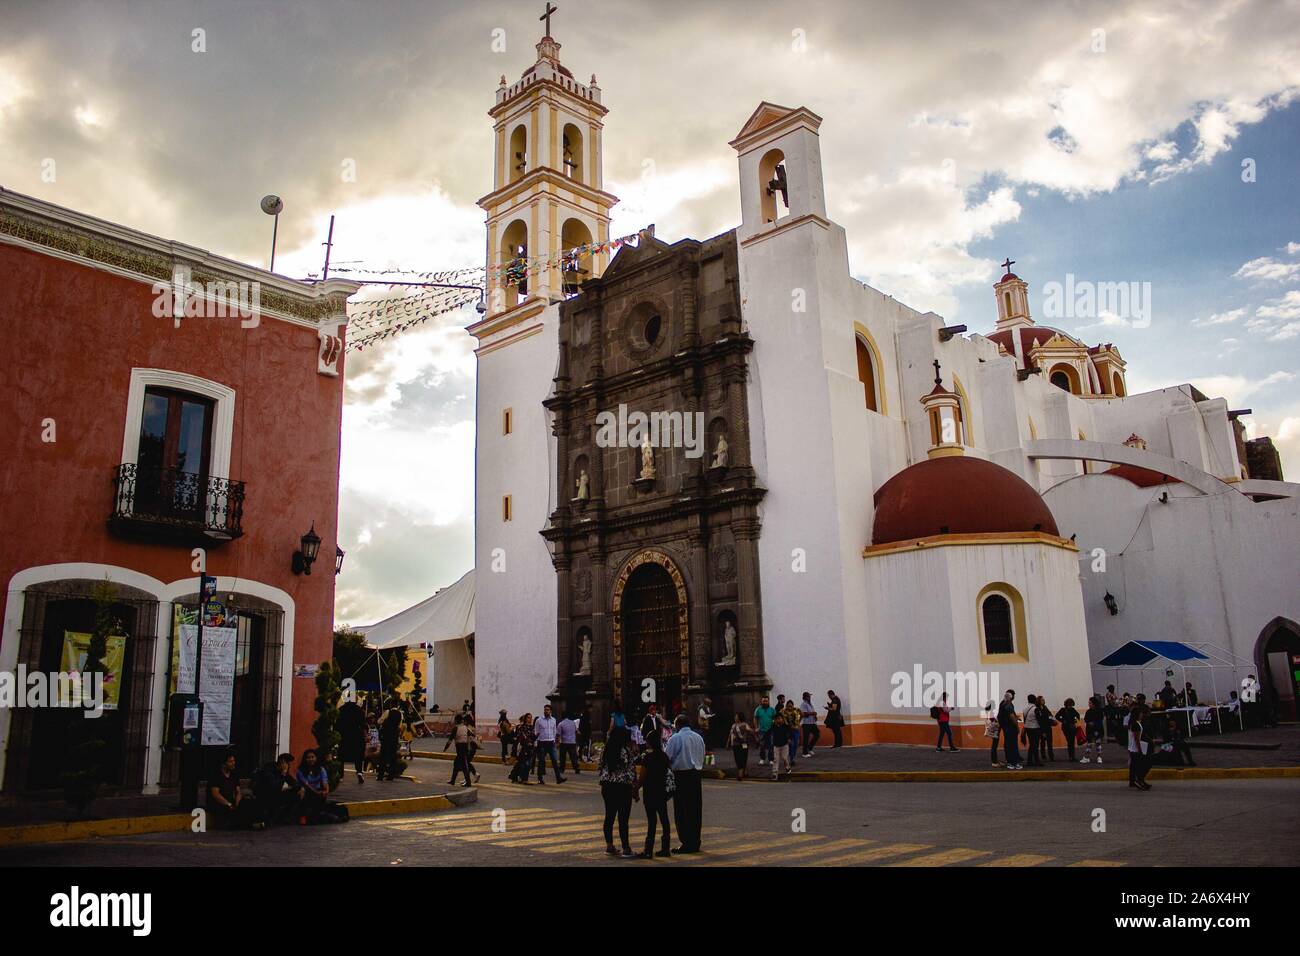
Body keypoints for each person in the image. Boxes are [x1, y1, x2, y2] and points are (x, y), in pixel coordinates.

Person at [665, 715, 705, 853]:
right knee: (695, 810)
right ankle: (695, 841)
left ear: (677, 725)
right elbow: (702, 755)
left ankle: (686, 842)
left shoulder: (675, 738)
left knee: (682, 810)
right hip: (695, 776)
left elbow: (667, 758)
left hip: (681, 776)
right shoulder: (698, 737)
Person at [598, 726, 637, 858]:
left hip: (607, 786)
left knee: (609, 816)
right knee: (623, 819)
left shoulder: (605, 749)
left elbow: (600, 766)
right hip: (622, 787)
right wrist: (634, 788)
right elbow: (631, 771)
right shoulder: (625, 751)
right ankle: (626, 848)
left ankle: (609, 845)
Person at [634, 732, 673, 858]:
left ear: (649, 742)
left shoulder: (647, 758)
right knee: (664, 819)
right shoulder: (664, 757)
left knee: (652, 821)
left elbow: (642, 778)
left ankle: (648, 850)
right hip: (661, 792)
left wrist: (635, 790)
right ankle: (665, 848)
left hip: (650, 792)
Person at [208, 750, 263, 830]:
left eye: (234, 761)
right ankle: (250, 826)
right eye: (230, 761)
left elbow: (238, 791)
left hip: (231, 801)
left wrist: (237, 802)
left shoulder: (234, 774)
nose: (233, 763)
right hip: (220, 804)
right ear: (223, 764)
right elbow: (216, 795)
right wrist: (228, 804)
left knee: (249, 803)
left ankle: (257, 821)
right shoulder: (216, 775)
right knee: (233, 815)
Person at [252, 752, 303, 827]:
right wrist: (283, 774)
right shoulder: (269, 770)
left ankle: (284, 818)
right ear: (282, 762)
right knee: (281, 797)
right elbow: (275, 788)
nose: (289, 766)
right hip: (264, 797)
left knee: (295, 794)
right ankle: (274, 819)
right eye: (288, 763)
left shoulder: (282, 771)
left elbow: (293, 782)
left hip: (275, 795)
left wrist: (301, 788)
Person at [296, 748, 347, 823]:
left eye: (312, 757)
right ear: (305, 759)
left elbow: (325, 782)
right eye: (308, 758)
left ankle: (334, 817)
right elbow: (306, 785)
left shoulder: (320, 769)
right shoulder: (300, 770)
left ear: (316, 758)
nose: (311, 759)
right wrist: (318, 793)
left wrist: (326, 791)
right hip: (307, 794)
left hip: (319, 793)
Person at [533, 704, 565, 784]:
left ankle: (558, 778)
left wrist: (555, 741)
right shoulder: (539, 720)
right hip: (542, 743)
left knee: (554, 761)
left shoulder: (553, 720)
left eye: (547, 710)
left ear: (551, 711)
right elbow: (536, 732)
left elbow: (554, 731)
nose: (546, 711)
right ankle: (540, 778)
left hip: (551, 742)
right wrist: (536, 743)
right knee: (541, 761)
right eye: (545, 709)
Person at [337, 697, 367, 785]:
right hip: (357, 735)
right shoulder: (359, 710)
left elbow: (337, 724)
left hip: (345, 735)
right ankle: (359, 772)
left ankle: (341, 775)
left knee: (341, 755)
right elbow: (363, 724)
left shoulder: (341, 710)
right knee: (358, 755)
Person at [448, 713, 479, 787]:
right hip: (468, 748)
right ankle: (454, 780)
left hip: (466, 748)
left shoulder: (465, 727)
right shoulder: (468, 727)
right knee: (459, 764)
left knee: (465, 765)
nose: (462, 721)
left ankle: (469, 780)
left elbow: (470, 737)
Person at [378, 697, 402, 781]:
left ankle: (380, 775)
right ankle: (391, 776)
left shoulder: (388, 712)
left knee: (383, 757)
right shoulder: (400, 714)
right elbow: (399, 726)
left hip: (386, 737)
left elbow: (379, 721)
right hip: (394, 737)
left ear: (391, 704)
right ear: (398, 705)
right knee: (392, 757)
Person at [1128, 705, 1152, 791]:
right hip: (1135, 748)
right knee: (1140, 765)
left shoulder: (1135, 723)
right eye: (1141, 713)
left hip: (1132, 748)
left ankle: (1134, 780)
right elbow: (1136, 738)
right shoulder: (1136, 724)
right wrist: (1139, 749)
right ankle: (1139, 780)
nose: (1142, 714)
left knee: (1134, 765)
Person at [998, 690, 1022, 769]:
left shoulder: (1002, 703)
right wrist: (1017, 726)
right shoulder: (1009, 704)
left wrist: (1015, 717)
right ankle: (1014, 762)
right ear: (1011, 696)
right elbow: (1011, 716)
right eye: (1013, 695)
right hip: (1010, 727)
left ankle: (1009, 762)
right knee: (1013, 745)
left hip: (1005, 727)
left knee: (1008, 744)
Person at [509, 714, 536, 784]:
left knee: (523, 763)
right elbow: (520, 737)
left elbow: (533, 736)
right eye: (528, 718)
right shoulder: (521, 727)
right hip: (522, 747)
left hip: (530, 747)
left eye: (530, 718)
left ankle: (514, 776)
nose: (529, 719)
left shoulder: (532, 727)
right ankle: (524, 779)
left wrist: (534, 738)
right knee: (525, 763)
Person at [728, 711, 755, 781]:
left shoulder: (744, 725)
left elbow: (751, 731)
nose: (735, 717)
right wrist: (728, 743)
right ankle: (744, 772)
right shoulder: (733, 725)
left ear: (739, 717)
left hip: (743, 744)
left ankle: (741, 773)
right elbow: (730, 735)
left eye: (736, 716)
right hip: (736, 745)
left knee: (743, 758)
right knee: (738, 758)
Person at [1082, 696, 1106, 764]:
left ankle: (1099, 757)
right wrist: (1089, 722)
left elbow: (1100, 719)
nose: (1089, 704)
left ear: (1094, 703)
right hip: (1089, 730)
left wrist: (1094, 723)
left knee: (1098, 743)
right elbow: (1085, 719)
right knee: (1089, 744)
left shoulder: (1099, 711)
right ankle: (1087, 757)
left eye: (1090, 703)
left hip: (1097, 729)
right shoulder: (1088, 711)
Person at [1056, 698, 1081, 763]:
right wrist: (1075, 720)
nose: (1071, 706)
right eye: (1071, 704)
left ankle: (1071, 757)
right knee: (1071, 742)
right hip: (1071, 727)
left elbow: (1057, 716)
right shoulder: (1071, 710)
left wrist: (1062, 720)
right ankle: (1072, 757)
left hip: (1066, 727)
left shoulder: (1063, 710)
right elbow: (1078, 715)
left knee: (1070, 742)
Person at [754, 695, 776, 766]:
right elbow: (755, 718)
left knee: (771, 745)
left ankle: (771, 760)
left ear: (768, 701)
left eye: (766, 701)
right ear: (761, 701)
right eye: (763, 701)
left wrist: (774, 725)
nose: (765, 702)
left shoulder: (772, 710)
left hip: (771, 730)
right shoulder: (758, 709)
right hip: (762, 730)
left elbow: (775, 718)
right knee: (762, 745)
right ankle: (762, 759)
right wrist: (756, 727)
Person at [557, 710, 582, 774]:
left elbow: (558, 734)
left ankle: (562, 769)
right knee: (573, 756)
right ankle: (576, 768)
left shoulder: (561, 724)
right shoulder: (573, 723)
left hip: (564, 742)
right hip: (572, 742)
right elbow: (576, 731)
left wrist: (557, 742)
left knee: (563, 757)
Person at [770, 703, 791, 778]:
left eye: (780, 718)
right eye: (777, 719)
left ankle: (787, 767)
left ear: (782, 719)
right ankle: (775, 773)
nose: (779, 720)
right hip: (776, 745)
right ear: (775, 720)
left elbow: (789, 733)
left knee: (784, 758)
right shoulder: (773, 726)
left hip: (784, 745)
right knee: (776, 759)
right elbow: (768, 733)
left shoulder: (785, 726)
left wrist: (789, 739)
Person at [1022, 694, 1042, 767]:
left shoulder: (1025, 709)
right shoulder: (1035, 709)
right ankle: (1036, 761)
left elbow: (1024, 720)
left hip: (1028, 728)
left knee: (1031, 745)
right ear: (1035, 700)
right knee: (1035, 745)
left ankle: (1030, 761)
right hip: (1035, 728)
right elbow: (1039, 719)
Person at [782, 698, 803, 769]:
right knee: (791, 744)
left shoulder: (796, 710)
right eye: (788, 706)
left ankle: (793, 757)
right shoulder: (783, 711)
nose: (790, 707)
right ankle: (792, 759)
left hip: (796, 730)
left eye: (791, 706)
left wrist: (799, 722)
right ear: (786, 706)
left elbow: (802, 714)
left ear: (793, 705)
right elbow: (778, 717)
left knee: (796, 744)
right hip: (788, 730)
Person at [799, 691, 820, 756]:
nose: (810, 697)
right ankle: (804, 753)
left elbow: (813, 712)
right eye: (809, 696)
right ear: (806, 697)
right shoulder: (803, 704)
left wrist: (815, 716)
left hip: (812, 723)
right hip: (806, 724)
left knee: (817, 734)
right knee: (806, 738)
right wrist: (812, 713)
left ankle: (809, 748)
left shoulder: (810, 704)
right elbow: (803, 714)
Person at [1037, 695, 1056, 762]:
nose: (1044, 701)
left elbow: (1050, 714)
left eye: (1044, 699)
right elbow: (1039, 720)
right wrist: (1042, 731)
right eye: (1042, 700)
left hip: (1048, 727)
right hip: (1042, 728)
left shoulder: (1045, 707)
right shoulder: (1038, 709)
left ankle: (1051, 756)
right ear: (1039, 701)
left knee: (1049, 742)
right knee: (1042, 742)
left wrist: (1053, 719)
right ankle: (1043, 755)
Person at [984, 700, 1001, 766]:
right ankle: (994, 762)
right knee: (994, 746)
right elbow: (993, 720)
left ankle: (995, 761)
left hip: (993, 730)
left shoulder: (988, 712)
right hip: (995, 730)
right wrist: (998, 721)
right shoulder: (991, 712)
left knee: (994, 745)